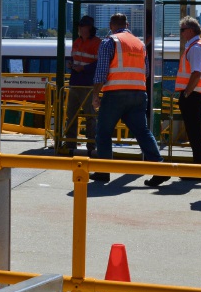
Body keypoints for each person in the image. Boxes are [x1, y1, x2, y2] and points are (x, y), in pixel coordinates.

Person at [90, 13, 168, 186]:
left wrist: (96, 95)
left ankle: (103, 172)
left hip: (115, 95)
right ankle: (160, 168)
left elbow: (101, 72)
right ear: (128, 24)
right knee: (143, 132)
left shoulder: (110, 41)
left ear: (111, 25)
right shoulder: (139, 44)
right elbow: (146, 72)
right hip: (139, 94)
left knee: (103, 132)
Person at [174, 16, 201, 177]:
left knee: (194, 131)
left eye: (182, 30)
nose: (181, 34)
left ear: (190, 30)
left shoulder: (195, 48)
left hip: (193, 95)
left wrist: (187, 92)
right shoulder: (200, 46)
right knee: (194, 131)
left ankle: (199, 168)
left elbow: (196, 73)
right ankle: (199, 166)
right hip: (198, 94)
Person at [61, 15, 101, 155]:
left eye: (83, 26)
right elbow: (73, 57)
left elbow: (99, 64)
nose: (81, 29)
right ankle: (70, 143)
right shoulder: (77, 42)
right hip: (75, 83)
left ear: (89, 28)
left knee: (90, 115)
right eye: (80, 26)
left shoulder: (97, 43)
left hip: (88, 84)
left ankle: (92, 145)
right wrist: (70, 64)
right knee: (71, 114)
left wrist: (83, 68)